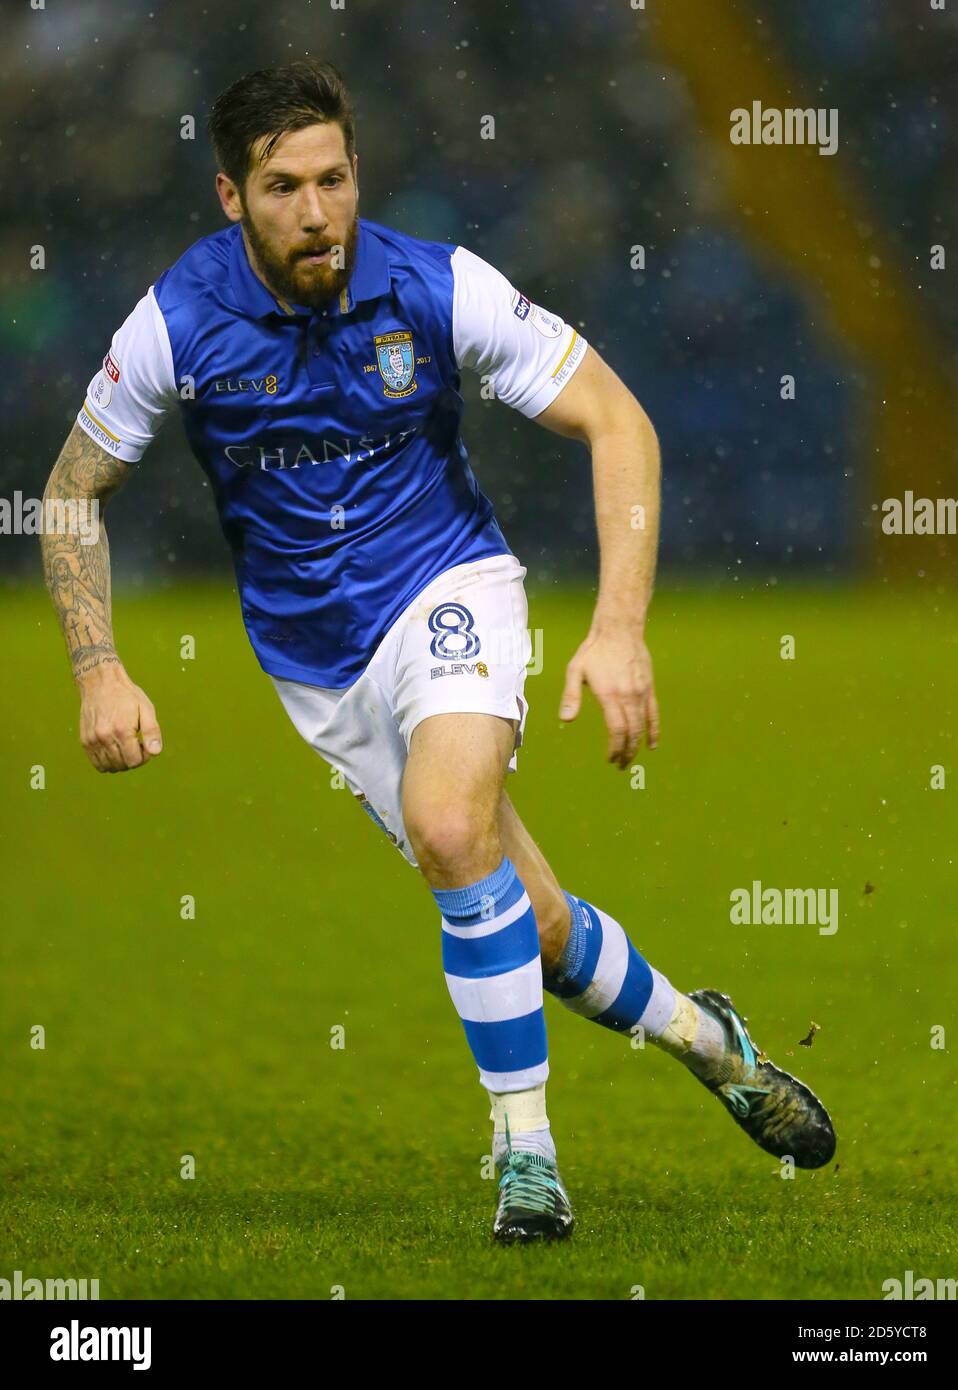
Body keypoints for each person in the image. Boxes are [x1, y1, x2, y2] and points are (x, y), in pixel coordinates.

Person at [40, 58, 835, 1244]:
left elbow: (617, 419)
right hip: (319, 669)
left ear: (357, 173)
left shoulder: (436, 286)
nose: (317, 214)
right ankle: (706, 1039)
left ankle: (525, 1157)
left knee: (452, 826)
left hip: (446, 587)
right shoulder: (177, 319)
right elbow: (68, 492)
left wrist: (616, 632)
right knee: (536, 924)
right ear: (228, 198)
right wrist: (97, 665)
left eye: (334, 179)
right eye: (281, 188)